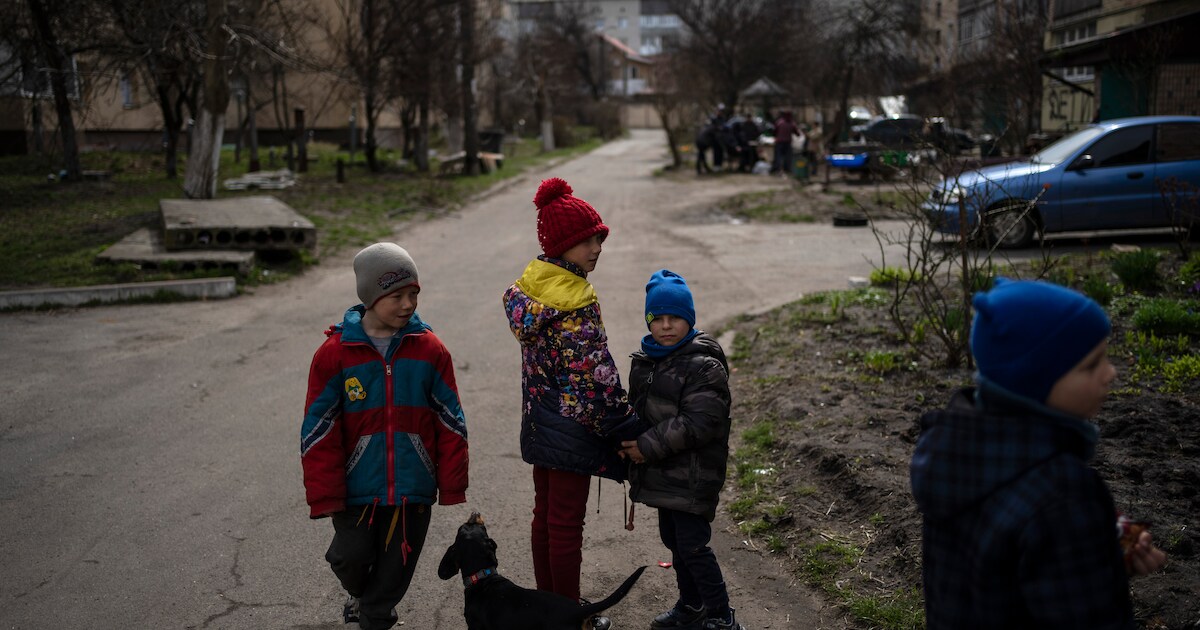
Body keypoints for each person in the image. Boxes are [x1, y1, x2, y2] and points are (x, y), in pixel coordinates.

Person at [910, 278, 1167, 629]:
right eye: (1091, 365)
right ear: (1033, 383)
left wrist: (1106, 539)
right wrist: (1099, 557)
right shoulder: (1065, 494)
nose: (1111, 373)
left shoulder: (952, 452)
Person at [301, 242, 469, 630]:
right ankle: (362, 597)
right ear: (372, 296)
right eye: (397, 295)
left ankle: (375, 614)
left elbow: (451, 419)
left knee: (396, 572)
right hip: (356, 488)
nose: (408, 303)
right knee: (350, 558)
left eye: (413, 293)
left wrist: (451, 483)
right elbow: (318, 428)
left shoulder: (429, 350)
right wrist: (326, 493)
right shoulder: (335, 354)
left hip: (413, 486)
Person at [502, 177, 646, 630]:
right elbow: (596, 378)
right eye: (586, 239)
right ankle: (568, 617)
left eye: (598, 236)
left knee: (545, 518)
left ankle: (549, 607)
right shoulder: (574, 301)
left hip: (541, 423)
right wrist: (627, 427)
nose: (596, 245)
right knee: (565, 524)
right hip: (572, 427)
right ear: (562, 245)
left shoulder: (535, 290)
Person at [619, 270, 744, 630]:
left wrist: (645, 446)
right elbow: (639, 412)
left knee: (692, 546)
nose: (666, 325)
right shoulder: (647, 362)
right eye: (657, 318)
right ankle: (691, 606)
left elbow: (700, 422)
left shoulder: (703, 365)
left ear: (689, 319)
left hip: (692, 474)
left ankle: (721, 616)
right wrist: (623, 440)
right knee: (674, 541)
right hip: (662, 473)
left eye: (674, 318)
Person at [771, 110, 799, 176]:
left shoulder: (779, 122)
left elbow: (774, 131)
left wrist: (776, 136)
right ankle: (787, 169)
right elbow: (797, 133)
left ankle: (778, 169)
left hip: (779, 142)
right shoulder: (792, 123)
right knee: (787, 157)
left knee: (778, 156)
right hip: (787, 142)